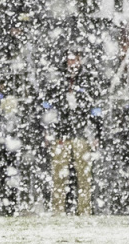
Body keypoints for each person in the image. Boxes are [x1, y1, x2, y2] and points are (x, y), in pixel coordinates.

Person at [41, 51, 101, 215]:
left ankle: (84, 210)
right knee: (59, 177)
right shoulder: (58, 81)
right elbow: (48, 108)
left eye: (74, 60)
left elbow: (96, 109)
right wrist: (47, 131)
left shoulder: (88, 80)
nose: (71, 64)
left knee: (84, 177)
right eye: (69, 60)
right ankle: (58, 210)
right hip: (62, 135)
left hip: (81, 135)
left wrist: (96, 134)